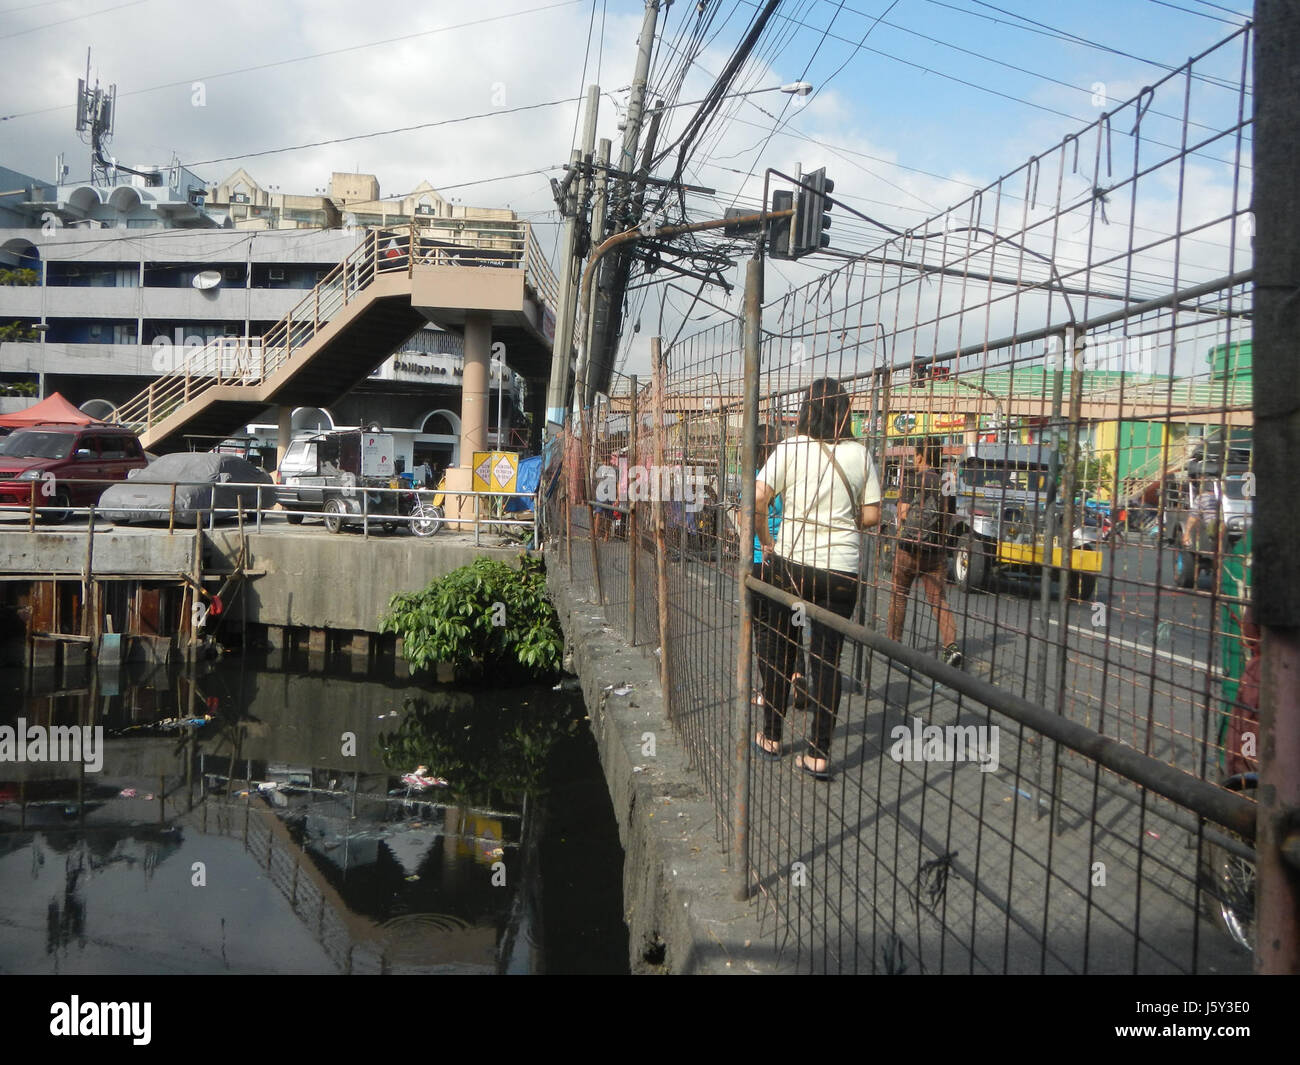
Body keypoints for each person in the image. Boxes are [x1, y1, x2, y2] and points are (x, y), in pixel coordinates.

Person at [753, 379, 881, 780]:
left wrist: (768, 539)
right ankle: (818, 753)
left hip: (792, 565)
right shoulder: (861, 455)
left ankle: (772, 736)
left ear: (807, 409)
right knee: (827, 660)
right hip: (841, 571)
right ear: (844, 412)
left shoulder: (790, 447)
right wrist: (841, 522)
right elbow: (874, 515)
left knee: (780, 649)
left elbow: (757, 497)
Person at [887, 439, 961, 668]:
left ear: (919, 456)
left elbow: (902, 513)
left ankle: (894, 644)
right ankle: (951, 647)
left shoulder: (913, 479)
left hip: (908, 549)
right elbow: (949, 516)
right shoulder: (948, 481)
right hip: (934, 552)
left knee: (899, 595)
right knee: (938, 600)